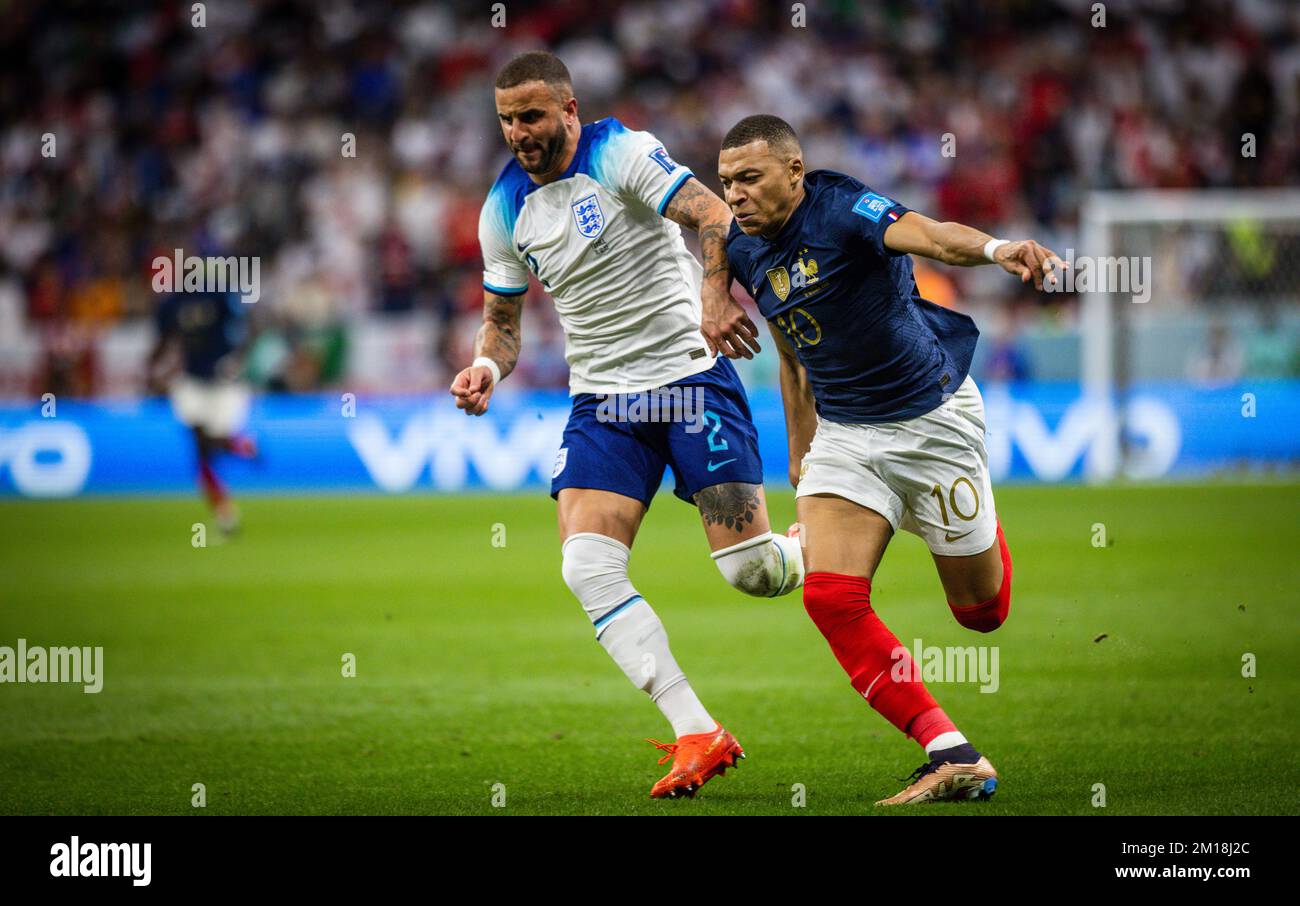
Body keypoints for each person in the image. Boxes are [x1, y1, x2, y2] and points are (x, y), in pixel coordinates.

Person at [450, 53, 805, 800]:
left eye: (531, 115)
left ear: (568, 110)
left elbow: (713, 214)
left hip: (688, 382)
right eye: (506, 119)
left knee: (751, 572)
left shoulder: (621, 152)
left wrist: (715, 296)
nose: (518, 132)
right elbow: (502, 324)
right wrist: (486, 365)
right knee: (585, 566)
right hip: (604, 403)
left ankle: (819, 536)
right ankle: (698, 731)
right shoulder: (504, 208)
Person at [720, 114, 1064, 805]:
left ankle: (959, 517)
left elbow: (931, 236)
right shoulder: (743, 249)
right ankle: (952, 752)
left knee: (981, 614)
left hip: (932, 423)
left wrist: (998, 248)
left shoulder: (843, 208)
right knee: (830, 598)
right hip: (845, 435)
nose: (736, 196)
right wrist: (800, 455)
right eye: (727, 182)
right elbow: (792, 353)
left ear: (795, 171)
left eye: (750, 178)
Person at [147, 287, 258, 536]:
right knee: (202, 451)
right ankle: (224, 513)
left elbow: (247, 325)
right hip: (193, 382)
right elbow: (165, 336)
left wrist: (237, 359)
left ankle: (241, 446)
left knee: (212, 445)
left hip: (224, 385)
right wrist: (152, 367)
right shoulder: (172, 303)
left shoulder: (219, 296)